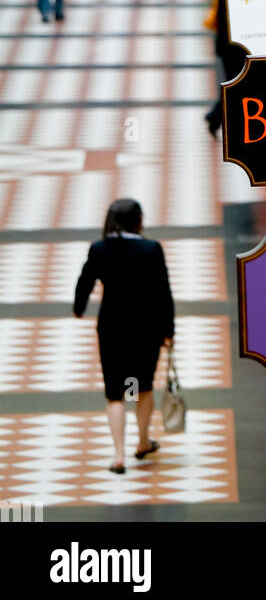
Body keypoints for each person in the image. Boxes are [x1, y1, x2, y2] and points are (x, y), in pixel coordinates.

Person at [72, 198, 174, 475]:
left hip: (111, 327)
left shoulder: (100, 248)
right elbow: (163, 292)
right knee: (143, 386)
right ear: (138, 220)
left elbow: (85, 280)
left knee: (115, 393)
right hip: (146, 327)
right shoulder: (151, 249)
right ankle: (142, 442)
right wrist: (169, 330)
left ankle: (118, 455)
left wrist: (79, 308)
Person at [203, 0, 246, 138]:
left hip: (228, 46)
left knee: (234, 84)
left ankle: (215, 117)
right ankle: (215, 117)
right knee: (235, 85)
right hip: (234, 48)